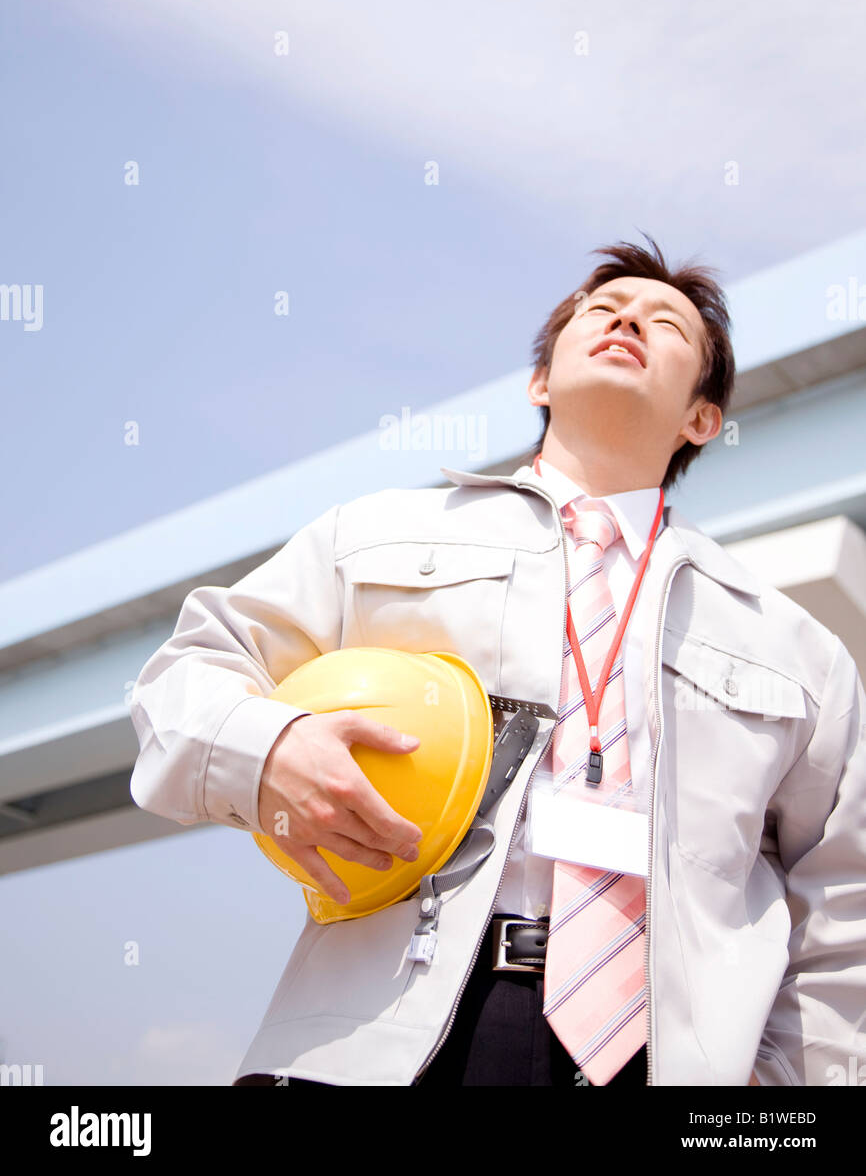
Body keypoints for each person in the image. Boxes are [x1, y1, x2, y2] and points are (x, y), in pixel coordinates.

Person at [128, 236, 866, 1087]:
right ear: (540, 382)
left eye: (666, 323)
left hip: (663, 1061)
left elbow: (841, 910)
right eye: (601, 310)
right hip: (378, 1040)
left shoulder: (796, 650)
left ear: (702, 419)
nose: (628, 317)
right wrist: (268, 750)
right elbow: (182, 676)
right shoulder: (373, 534)